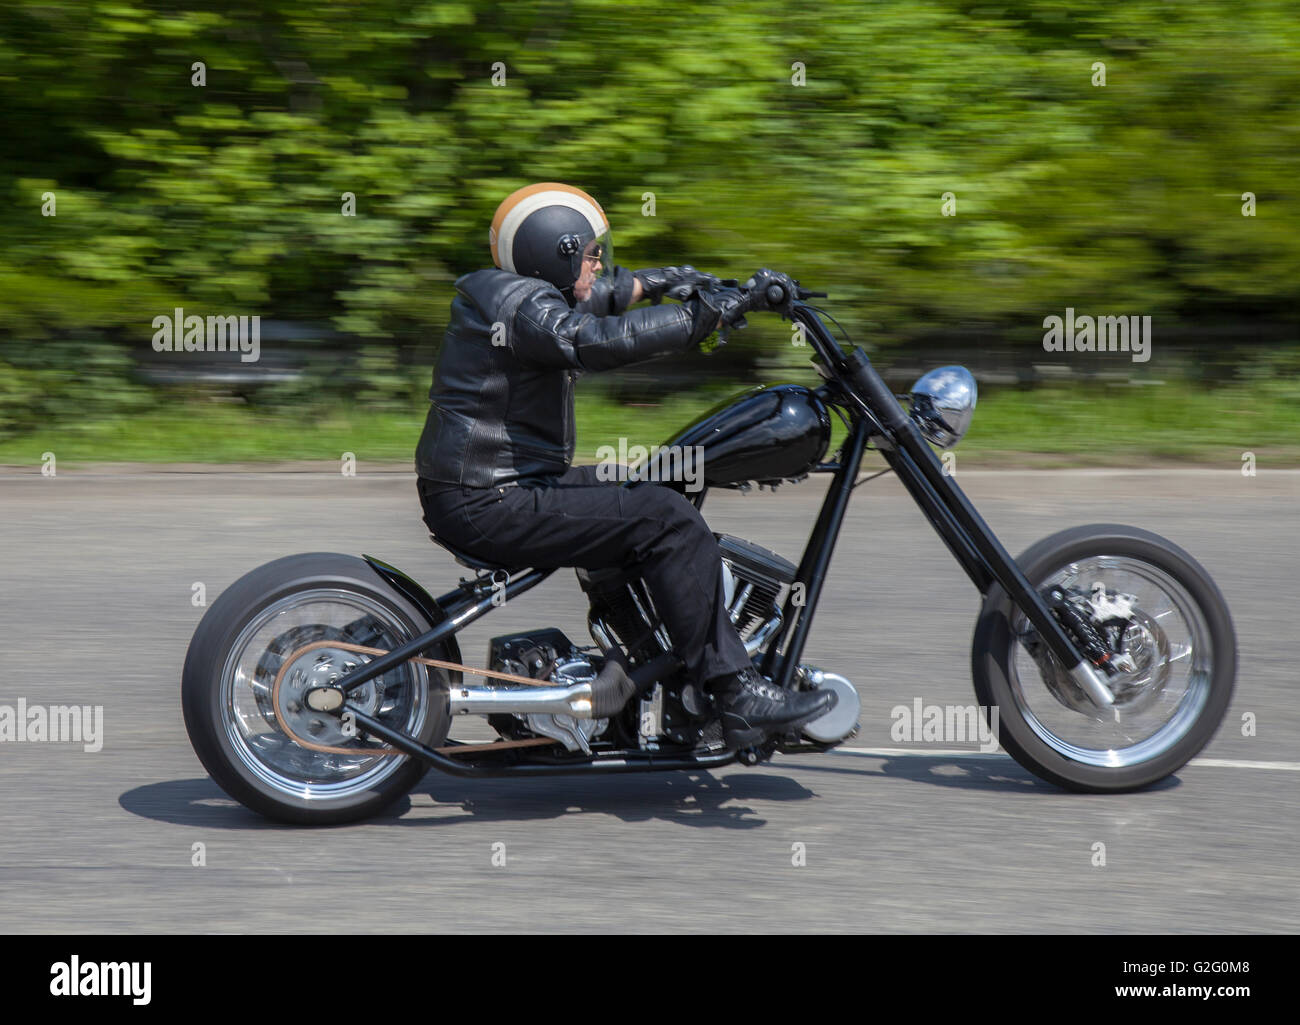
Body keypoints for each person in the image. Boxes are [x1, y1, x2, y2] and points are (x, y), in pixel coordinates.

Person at [415, 182, 834, 749]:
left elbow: (592, 301)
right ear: (556, 251)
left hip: (488, 487)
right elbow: (588, 338)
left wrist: (658, 281)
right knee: (665, 517)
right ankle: (735, 691)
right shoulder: (522, 305)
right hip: (491, 498)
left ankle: (639, 658)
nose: (596, 263)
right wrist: (705, 315)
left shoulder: (507, 296)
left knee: (643, 486)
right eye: (589, 253)